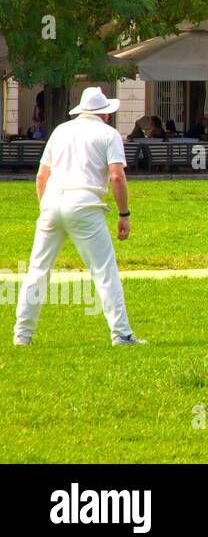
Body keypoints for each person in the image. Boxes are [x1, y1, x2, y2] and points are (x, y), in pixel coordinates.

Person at [13, 87, 143, 347]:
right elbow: (117, 176)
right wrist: (124, 214)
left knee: (38, 270)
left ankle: (22, 334)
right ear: (104, 114)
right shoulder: (109, 134)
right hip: (84, 204)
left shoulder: (61, 131)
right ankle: (121, 333)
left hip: (52, 201)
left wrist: (47, 208)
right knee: (104, 271)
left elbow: (41, 176)